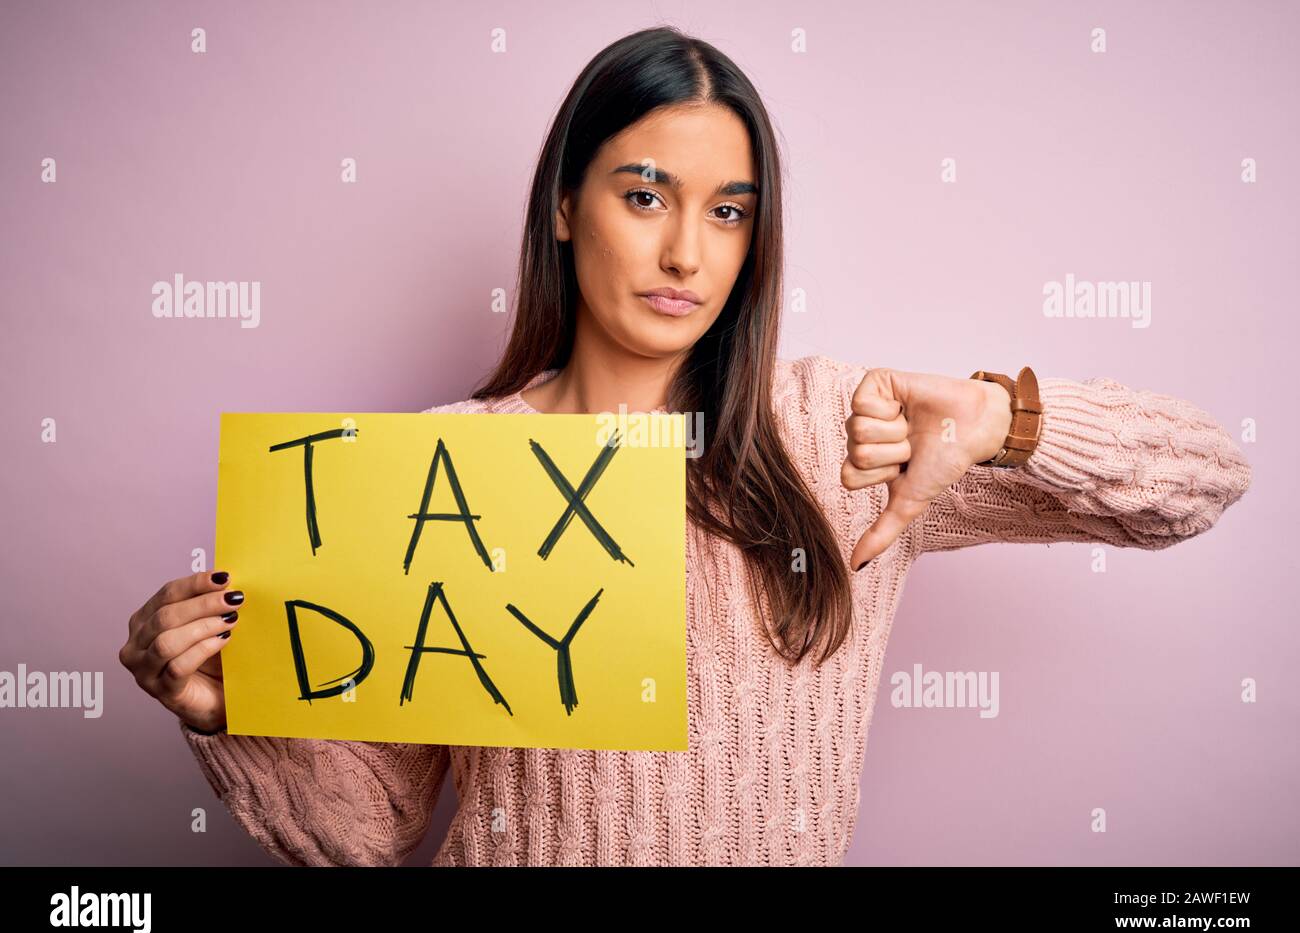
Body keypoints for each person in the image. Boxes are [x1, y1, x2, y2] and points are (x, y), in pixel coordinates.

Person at [119, 26, 1253, 866]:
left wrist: (1010, 419)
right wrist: (231, 712)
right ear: (566, 207)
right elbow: (366, 833)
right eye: (645, 194)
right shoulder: (444, 463)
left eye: (727, 210)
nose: (684, 253)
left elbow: (1201, 481)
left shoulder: (834, 434)